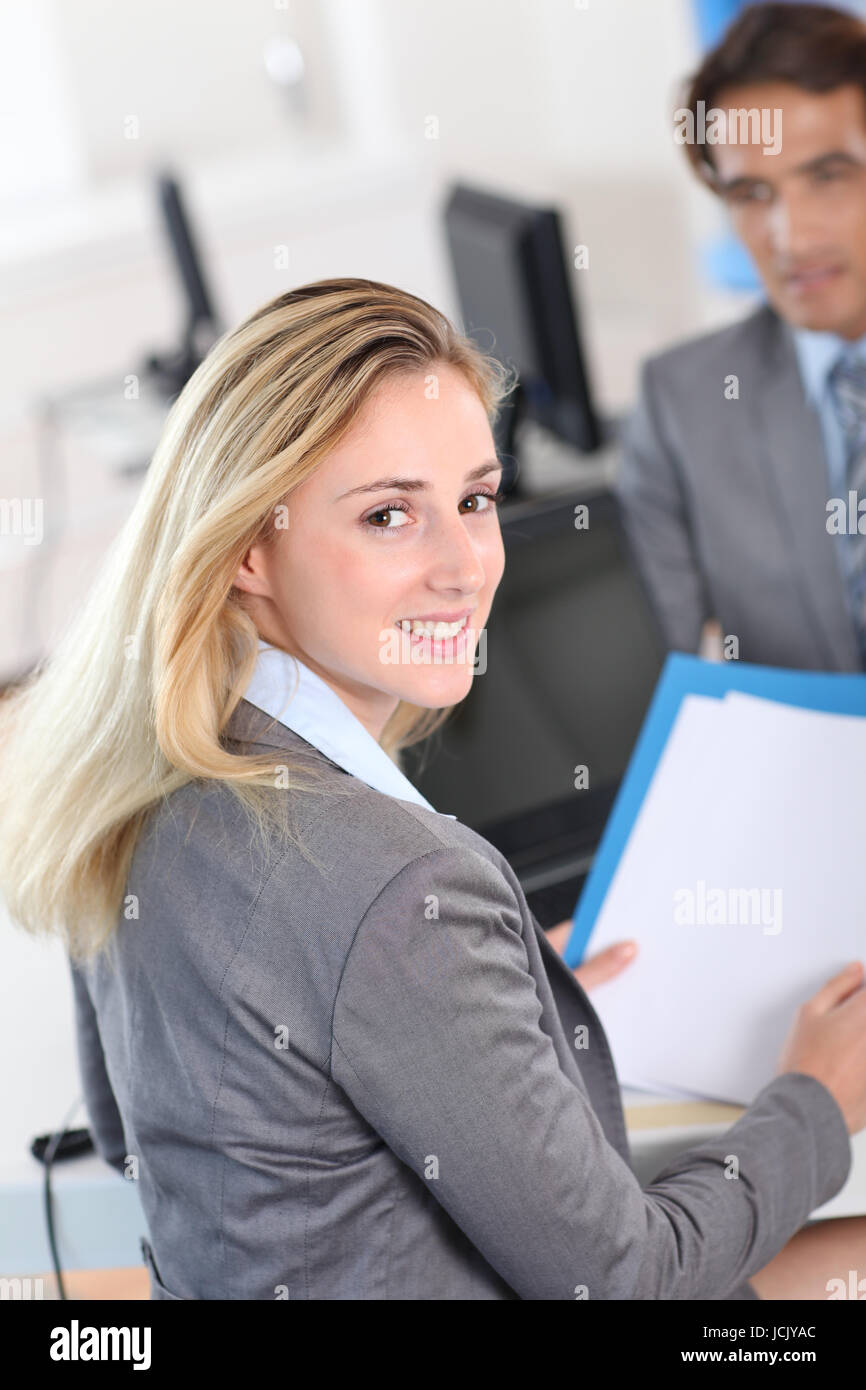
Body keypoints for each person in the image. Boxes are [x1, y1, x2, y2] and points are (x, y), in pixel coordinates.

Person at [1, 278, 865, 1300]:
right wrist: (814, 1097)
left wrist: (477, 995)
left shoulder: (140, 766)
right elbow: (629, 1282)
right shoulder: (401, 885)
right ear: (246, 546)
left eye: (473, 499)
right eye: (387, 515)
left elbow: (126, 1131)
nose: (463, 566)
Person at [616, 1, 866, 671]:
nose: (792, 239)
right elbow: (673, 689)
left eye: (828, 178)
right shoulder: (682, 405)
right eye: (753, 194)